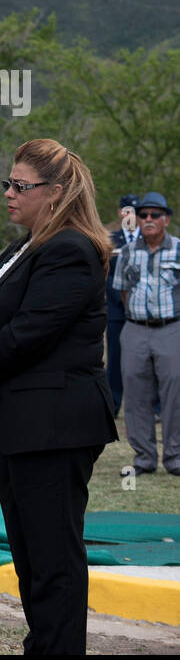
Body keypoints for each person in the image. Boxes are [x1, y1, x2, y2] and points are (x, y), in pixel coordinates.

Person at [0, 139, 117, 655]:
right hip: (24, 421)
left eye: (20, 186)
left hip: (56, 423)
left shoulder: (71, 248)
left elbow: (30, 333)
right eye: (8, 182)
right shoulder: (30, 244)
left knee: (53, 560)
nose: (8, 193)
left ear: (56, 192)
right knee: (31, 555)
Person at [112, 191, 178, 476]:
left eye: (154, 215)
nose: (148, 219)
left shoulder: (178, 249)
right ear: (136, 220)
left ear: (166, 219)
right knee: (135, 393)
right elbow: (123, 293)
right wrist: (139, 318)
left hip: (171, 329)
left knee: (174, 392)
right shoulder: (127, 252)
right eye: (143, 215)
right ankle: (144, 458)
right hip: (135, 329)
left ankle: (174, 457)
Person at [105, 195, 142, 416]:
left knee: (147, 359)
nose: (131, 216)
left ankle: (154, 406)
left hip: (143, 310)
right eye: (127, 211)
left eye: (135, 212)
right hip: (117, 310)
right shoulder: (111, 239)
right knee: (116, 360)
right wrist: (122, 298)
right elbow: (106, 274)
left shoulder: (148, 238)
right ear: (121, 213)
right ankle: (114, 404)